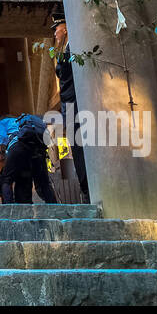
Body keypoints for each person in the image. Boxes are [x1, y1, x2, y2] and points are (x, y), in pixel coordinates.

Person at [53, 16, 90, 201]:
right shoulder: (64, 50)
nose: (55, 34)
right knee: (75, 146)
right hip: (69, 104)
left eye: (56, 29)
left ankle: (87, 189)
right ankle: (85, 188)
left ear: (65, 29)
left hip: (76, 102)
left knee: (80, 145)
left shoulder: (73, 48)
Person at [0, 114, 60, 204]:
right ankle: (56, 211)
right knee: (44, 184)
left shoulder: (2, 123)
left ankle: (9, 212)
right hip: (38, 149)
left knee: (6, 180)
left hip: (18, 147)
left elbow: (2, 143)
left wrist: (1, 155)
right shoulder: (23, 121)